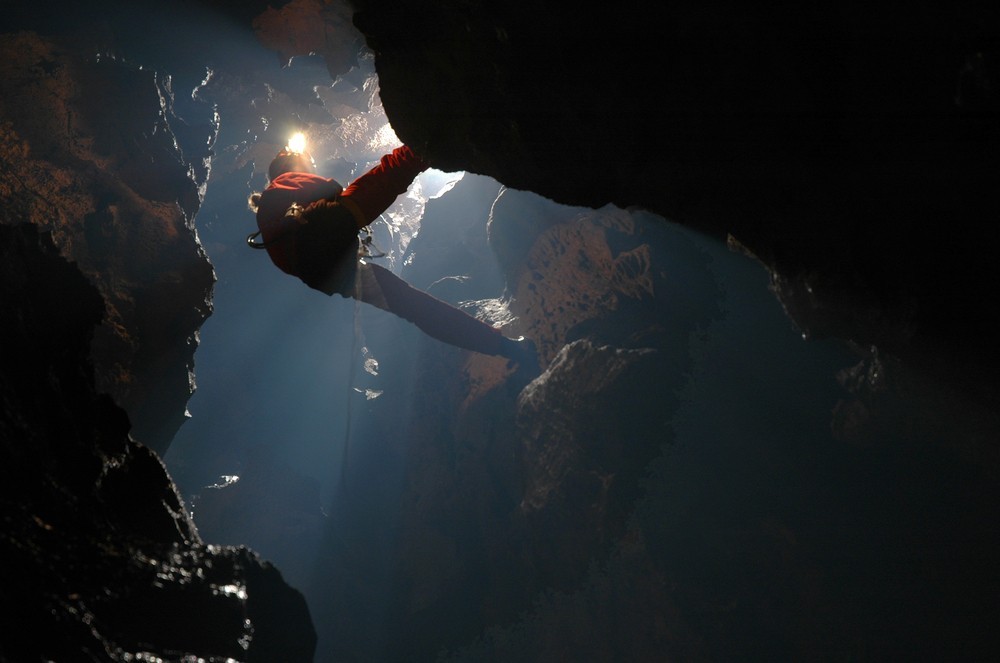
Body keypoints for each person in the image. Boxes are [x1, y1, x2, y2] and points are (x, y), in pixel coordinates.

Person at [247, 141, 539, 372]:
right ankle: (424, 145)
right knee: (389, 175)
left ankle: (508, 347)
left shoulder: (271, 220)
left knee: (410, 305)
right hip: (323, 231)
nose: (308, 164)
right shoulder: (282, 180)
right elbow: (330, 189)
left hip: (323, 275)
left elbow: (292, 261)